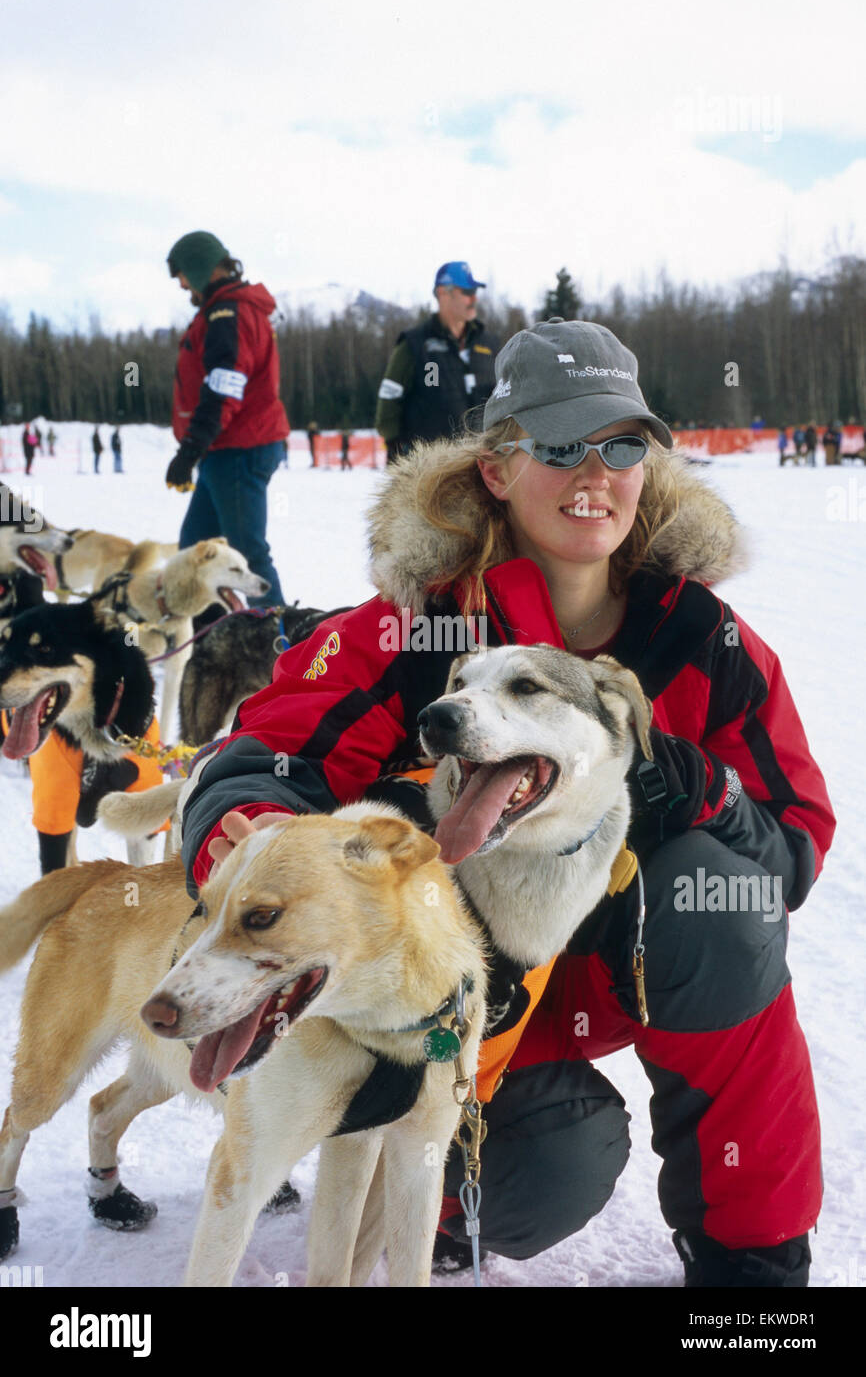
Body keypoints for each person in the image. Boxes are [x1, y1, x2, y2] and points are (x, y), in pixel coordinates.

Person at [180, 318, 834, 1288]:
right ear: (495, 467)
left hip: (613, 972)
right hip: (450, 1004)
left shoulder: (705, 644)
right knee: (548, 1168)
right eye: (560, 445)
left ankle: (749, 1261)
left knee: (722, 898)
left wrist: (708, 795)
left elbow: (785, 850)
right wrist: (243, 822)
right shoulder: (419, 627)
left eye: (620, 445)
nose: (593, 473)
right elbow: (271, 751)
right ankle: (433, 1183)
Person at [164, 230, 289, 608]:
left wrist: (189, 450)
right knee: (194, 551)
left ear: (201, 268)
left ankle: (278, 646)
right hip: (223, 451)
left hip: (238, 449)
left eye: (183, 274)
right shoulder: (223, 310)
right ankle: (207, 639)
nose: (183, 284)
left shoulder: (228, 313)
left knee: (247, 552)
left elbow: (224, 387)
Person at [375, 261, 498, 463]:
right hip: (430, 469)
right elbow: (387, 406)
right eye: (467, 292)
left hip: (479, 465)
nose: (473, 298)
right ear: (443, 293)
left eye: (475, 292)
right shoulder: (415, 344)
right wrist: (401, 451)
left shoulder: (489, 343)